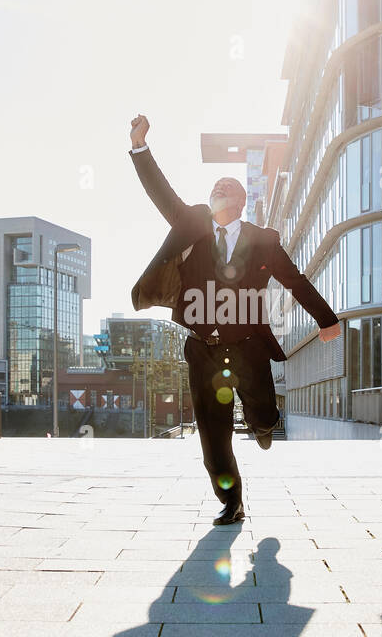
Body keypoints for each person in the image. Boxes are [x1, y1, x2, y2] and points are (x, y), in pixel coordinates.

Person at [127, 113, 341, 525]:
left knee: (262, 413)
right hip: (203, 350)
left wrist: (326, 320)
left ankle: (264, 425)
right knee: (213, 434)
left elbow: (294, 281)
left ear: (240, 201)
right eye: (214, 187)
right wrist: (140, 147)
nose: (218, 189)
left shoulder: (263, 241)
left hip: (248, 349)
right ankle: (233, 502)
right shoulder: (191, 222)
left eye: (226, 187)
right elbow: (160, 192)